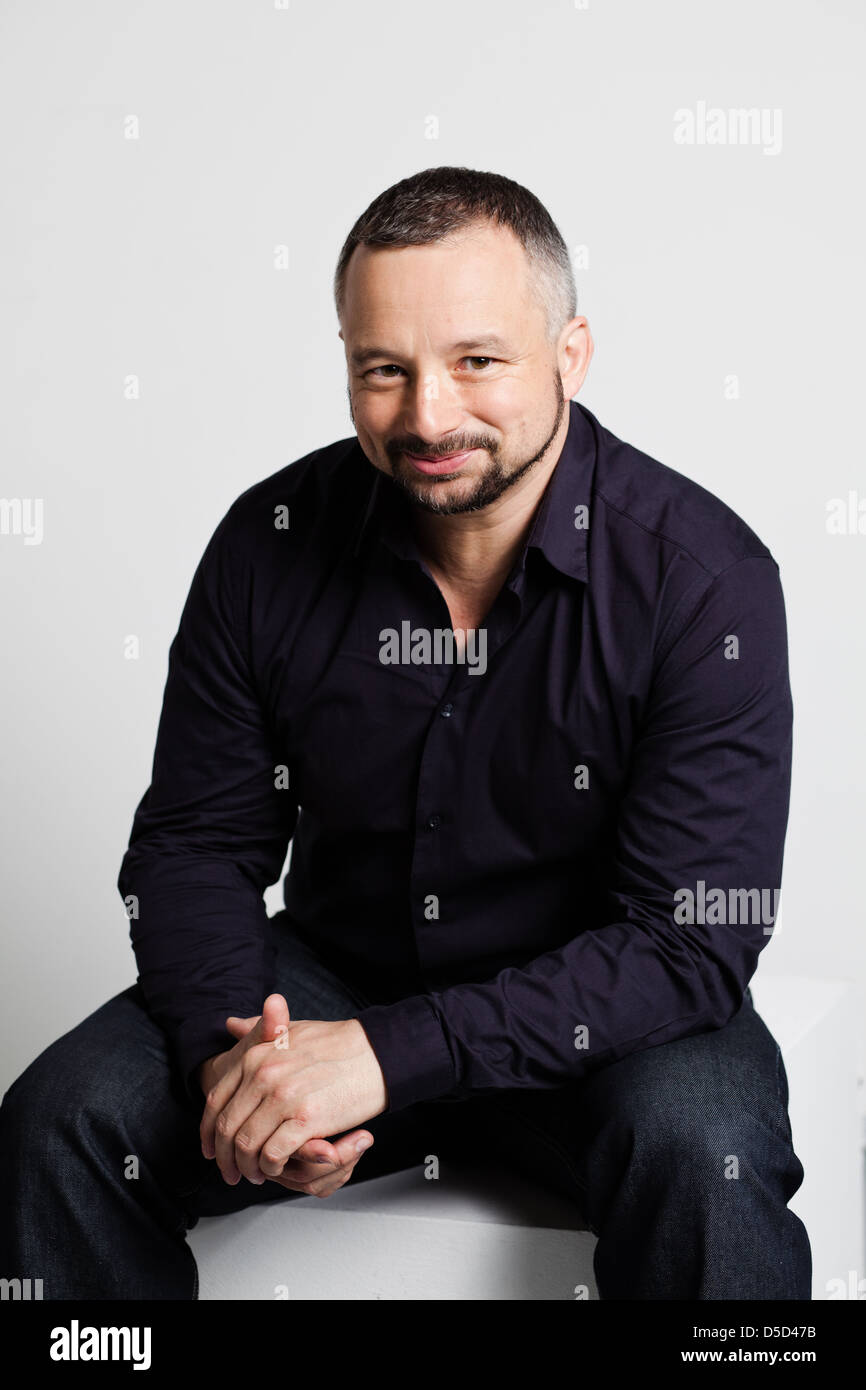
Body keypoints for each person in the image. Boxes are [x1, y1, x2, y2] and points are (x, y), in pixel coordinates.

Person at [0, 166, 811, 1300]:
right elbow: (196, 843)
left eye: (477, 361)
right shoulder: (267, 543)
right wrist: (245, 1063)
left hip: (612, 1016)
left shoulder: (702, 580)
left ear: (569, 354)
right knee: (60, 1124)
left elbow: (687, 943)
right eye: (382, 370)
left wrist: (387, 1059)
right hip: (336, 981)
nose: (426, 415)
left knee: (701, 1153)